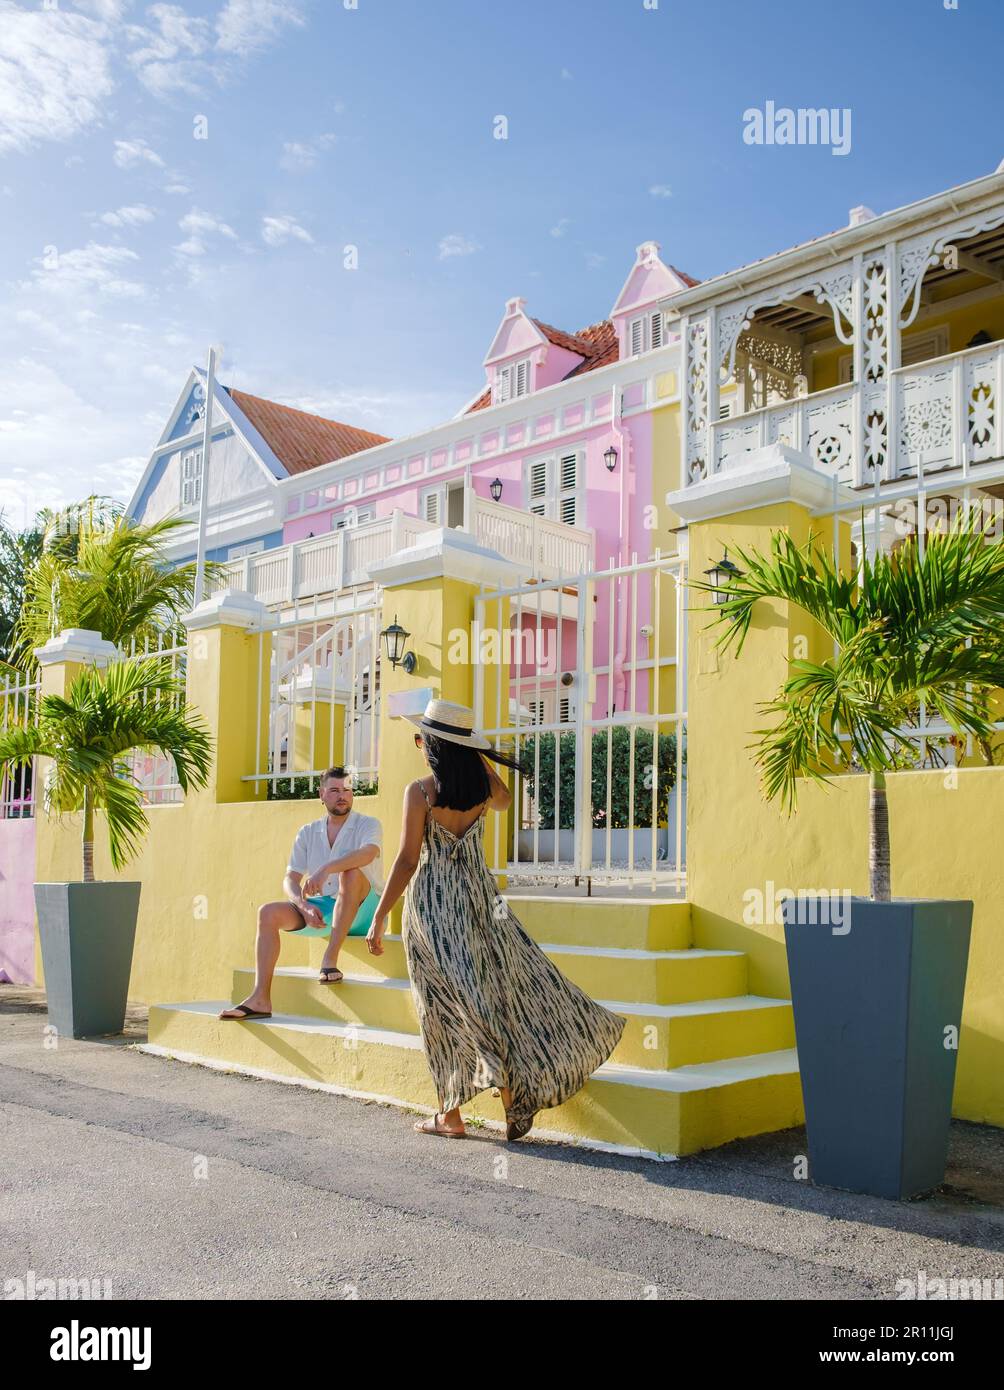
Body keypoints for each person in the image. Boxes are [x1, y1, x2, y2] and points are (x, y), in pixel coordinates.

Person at [366, 697, 625, 1141]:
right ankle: (504, 1103)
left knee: (442, 1005)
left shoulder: (421, 792)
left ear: (429, 744)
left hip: (434, 904)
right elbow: (505, 800)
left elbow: (408, 861)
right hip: (481, 897)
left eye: (420, 739)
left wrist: (378, 917)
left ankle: (455, 1112)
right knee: (500, 987)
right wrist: (477, 758)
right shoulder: (486, 791)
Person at [219, 766, 383, 1019]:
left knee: (350, 872)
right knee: (268, 913)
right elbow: (291, 877)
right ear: (321, 794)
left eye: (347, 790)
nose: (342, 795)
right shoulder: (308, 832)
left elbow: (368, 854)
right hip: (327, 909)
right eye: (335, 790)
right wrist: (303, 905)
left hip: (365, 910)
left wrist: (327, 868)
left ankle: (330, 958)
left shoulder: (367, 824)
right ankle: (260, 998)